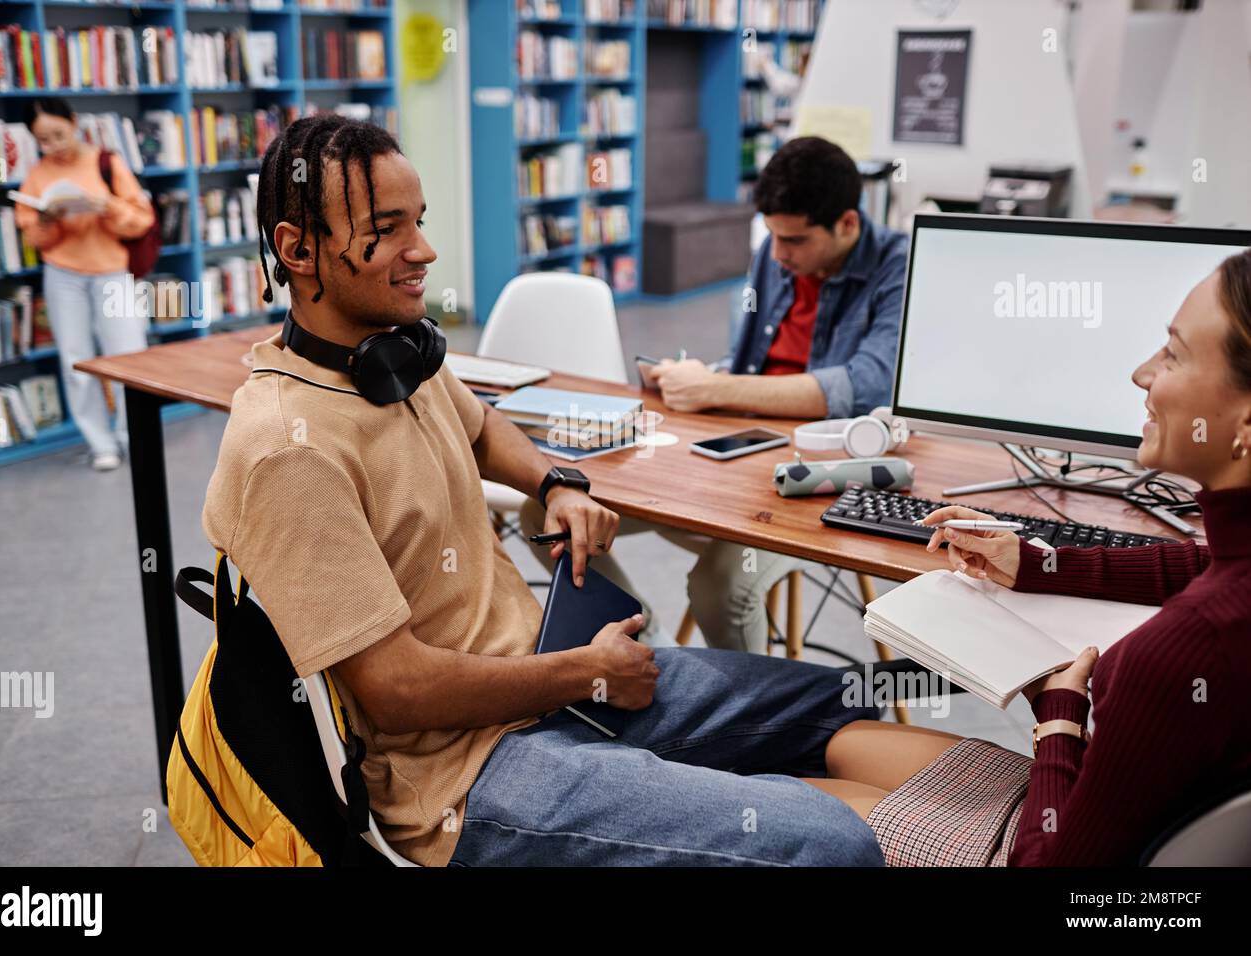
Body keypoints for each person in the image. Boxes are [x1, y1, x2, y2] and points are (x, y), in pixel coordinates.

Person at [200, 114, 885, 867]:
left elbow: (484, 426)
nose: (424, 250)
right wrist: (586, 673)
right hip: (467, 776)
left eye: (419, 223)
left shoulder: (394, 360)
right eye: (388, 229)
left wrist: (555, 482)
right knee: (833, 844)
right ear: (298, 250)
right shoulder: (287, 450)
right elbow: (397, 691)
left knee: (835, 698)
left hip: (547, 678)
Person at [807, 249, 1251, 866]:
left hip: (1063, 850)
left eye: (1173, 353)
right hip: (1143, 819)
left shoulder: (1182, 653)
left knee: (799, 802)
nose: (1142, 373)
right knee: (846, 743)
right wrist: (1036, 561)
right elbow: (1203, 562)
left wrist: (1059, 708)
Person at [520, 136, 908, 654]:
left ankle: (748, 721)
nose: (779, 254)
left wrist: (716, 386)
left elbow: (863, 387)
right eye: (772, 237)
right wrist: (703, 376)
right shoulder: (777, 253)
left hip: (821, 474)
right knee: (547, 508)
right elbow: (753, 366)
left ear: (848, 224)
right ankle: (643, 641)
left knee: (721, 586)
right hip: (737, 444)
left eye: (794, 241)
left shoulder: (898, 266)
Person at [14, 97, 156, 470]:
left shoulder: (107, 162)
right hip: (63, 276)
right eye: (43, 140)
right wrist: (48, 220)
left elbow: (141, 221)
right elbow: (35, 239)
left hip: (112, 273)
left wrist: (106, 205)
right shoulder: (38, 173)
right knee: (75, 362)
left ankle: (134, 437)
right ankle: (101, 444)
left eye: (59, 134)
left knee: (130, 357)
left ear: (74, 122)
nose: (54, 146)